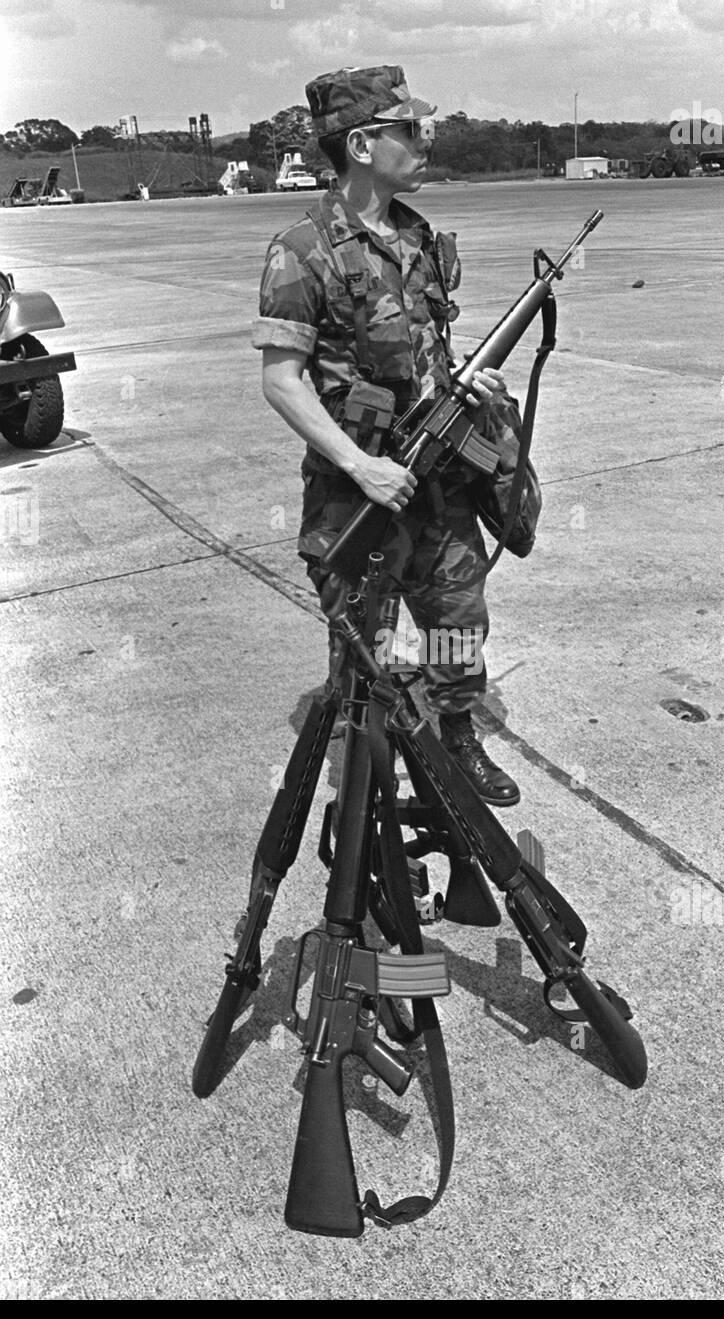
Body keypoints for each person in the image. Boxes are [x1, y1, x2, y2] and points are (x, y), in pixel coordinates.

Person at [252, 64, 519, 806]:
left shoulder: (416, 235)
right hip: (356, 487)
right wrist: (359, 465)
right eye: (409, 128)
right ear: (364, 144)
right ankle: (367, 763)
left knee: (457, 615)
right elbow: (281, 379)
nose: (422, 139)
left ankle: (457, 731)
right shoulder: (302, 249)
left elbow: (425, 350)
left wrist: (464, 384)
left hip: (438, 475)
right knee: (362, 642)